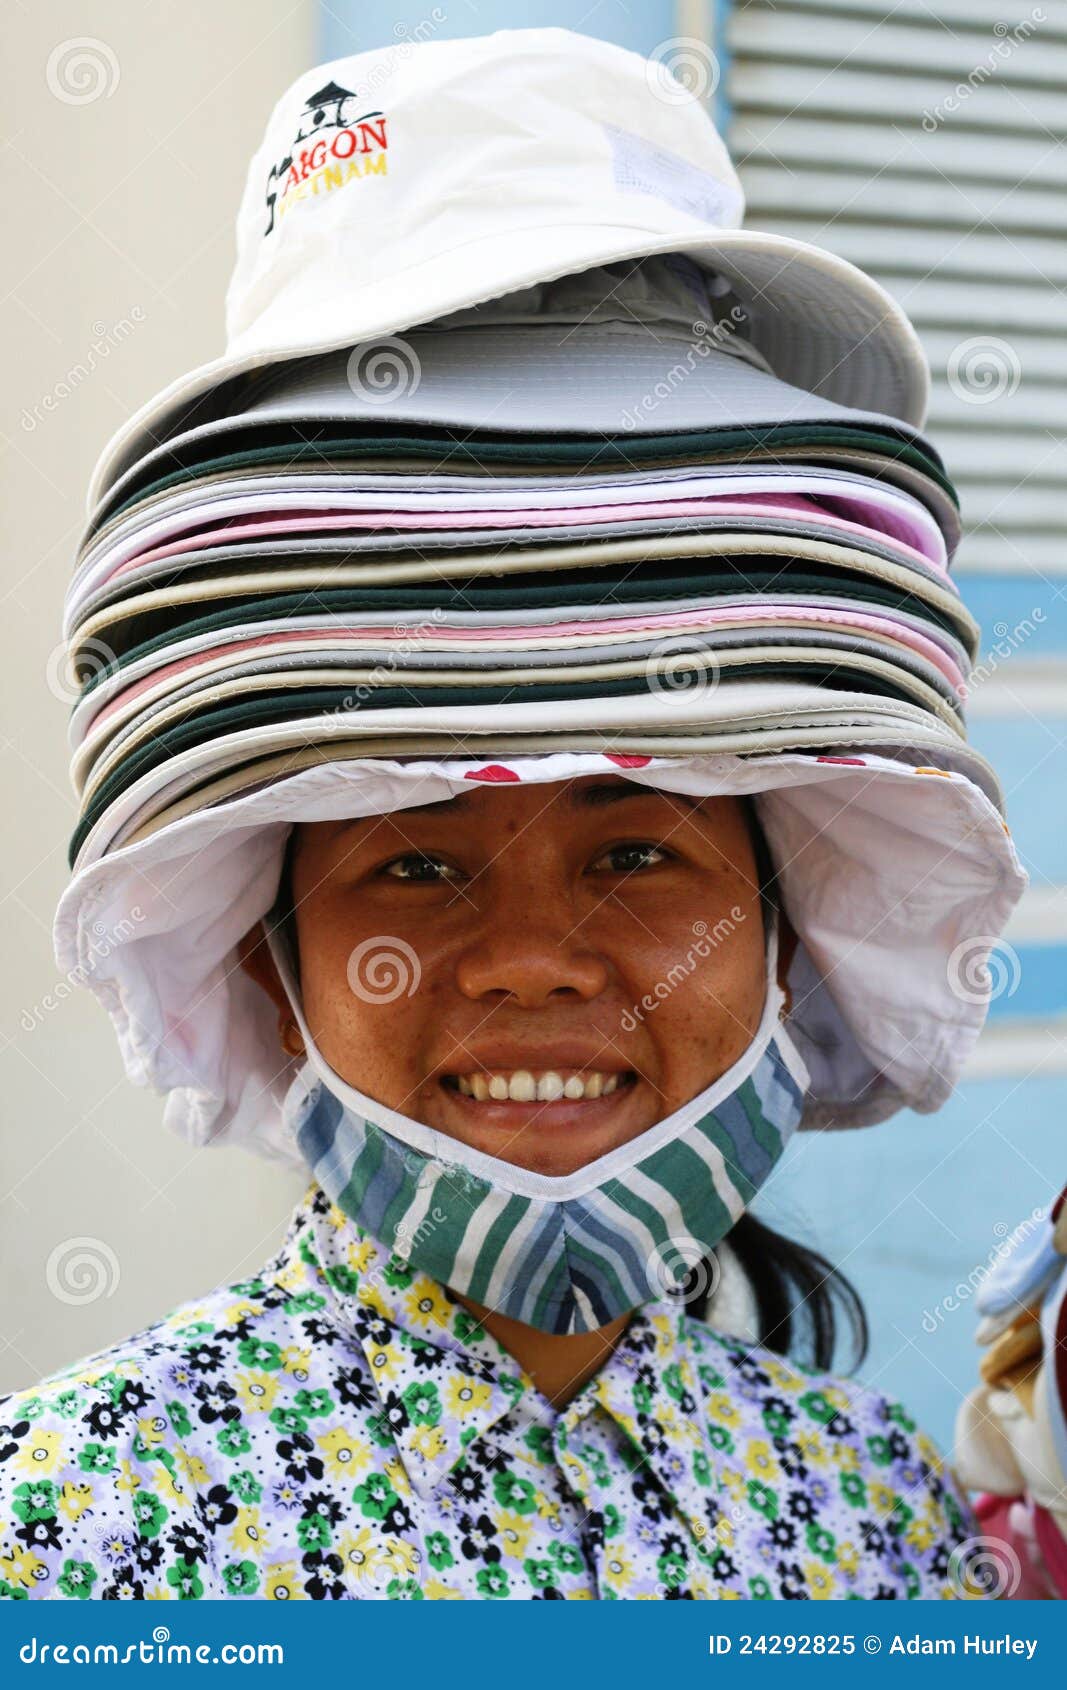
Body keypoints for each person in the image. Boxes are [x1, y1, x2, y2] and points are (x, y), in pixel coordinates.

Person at [0, 30, 1027, 1601]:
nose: (535, 957)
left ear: (786, 939)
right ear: (273, 956)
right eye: (410, 859)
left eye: (638, 849)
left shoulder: (885, 1535)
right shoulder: (67, 1539)